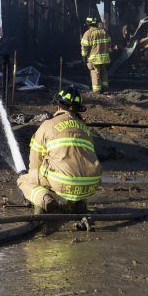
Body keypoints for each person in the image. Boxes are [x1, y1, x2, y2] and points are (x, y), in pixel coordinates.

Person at [16, 85, 101, 214]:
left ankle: (45, 200)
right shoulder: (84, 128)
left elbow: (35, 161)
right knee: (74, 169)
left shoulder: (47, 125)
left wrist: (35, 182)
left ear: (58, 106)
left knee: (23, 179)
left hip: (64, 182)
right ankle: (79, 203)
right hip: (91, 183)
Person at [80, 16, 111, 93]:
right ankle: (105, 87)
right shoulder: (103, 31)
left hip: (94, 59)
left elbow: (84, 47)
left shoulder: (88, 33)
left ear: (88, 24)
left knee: (95, 72)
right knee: (104, 72)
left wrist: (84, 57)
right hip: (105, 57)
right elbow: (109, 43)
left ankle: (97, 90)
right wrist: (108, 51)